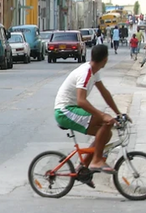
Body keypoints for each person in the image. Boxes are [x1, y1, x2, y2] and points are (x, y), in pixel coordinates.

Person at [53, 44, 125, 175]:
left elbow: (105, 93)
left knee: (105, 134)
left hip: (71, 109)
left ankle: (83, 167)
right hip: (65, 111)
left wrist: (118, 113)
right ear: (105, 59)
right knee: (106, 121)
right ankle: (96, 160)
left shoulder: (94, 71)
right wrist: (102, 115)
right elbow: (81, 101)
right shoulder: (85, 72)